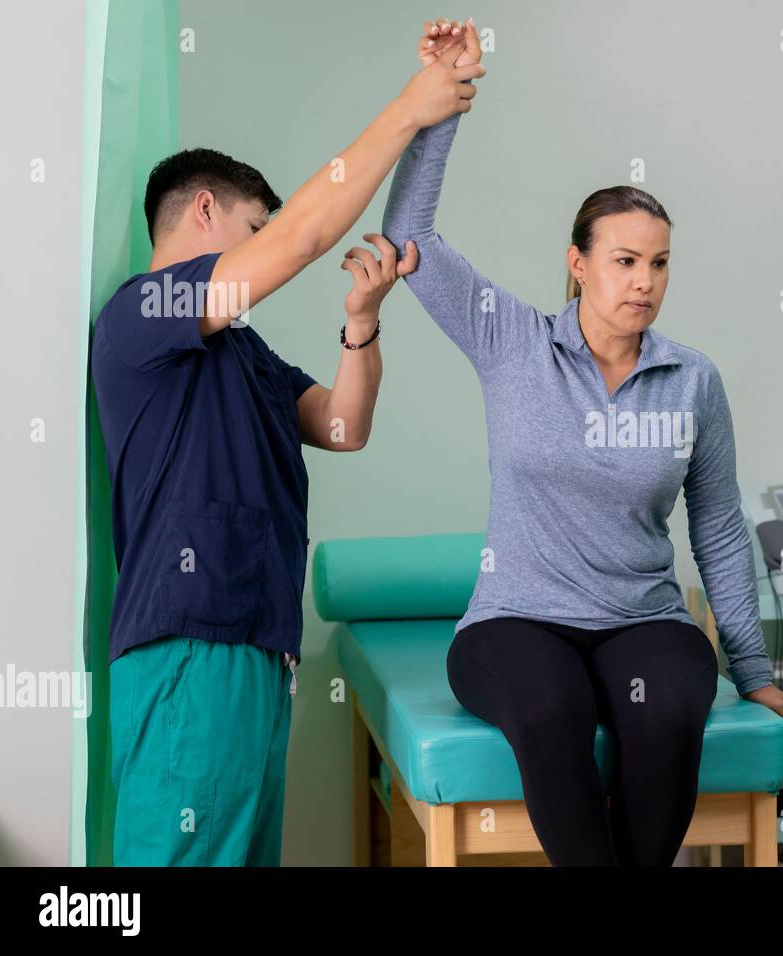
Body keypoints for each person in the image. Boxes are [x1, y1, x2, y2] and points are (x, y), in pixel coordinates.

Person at [382, 18, 783, 867]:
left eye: (659, 263)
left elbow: (717, 527)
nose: (643, 281)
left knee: (669, 715)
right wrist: (445, 101)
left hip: (644, 620)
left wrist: (752, 667)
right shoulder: (512, 342)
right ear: (578, 263)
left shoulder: (693, 381)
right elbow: (408, 234)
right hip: (515, 623)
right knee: (551, 715)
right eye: (624, 261)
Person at [91, 29, 486, 865]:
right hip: (188, 651)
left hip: (258, 653)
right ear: (204, 211)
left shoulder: (244, 352)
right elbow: (302, 239)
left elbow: (345, 426)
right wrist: (409, 109)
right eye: (252, 226)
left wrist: (361, 324)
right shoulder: (143, 315)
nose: (268, 243)